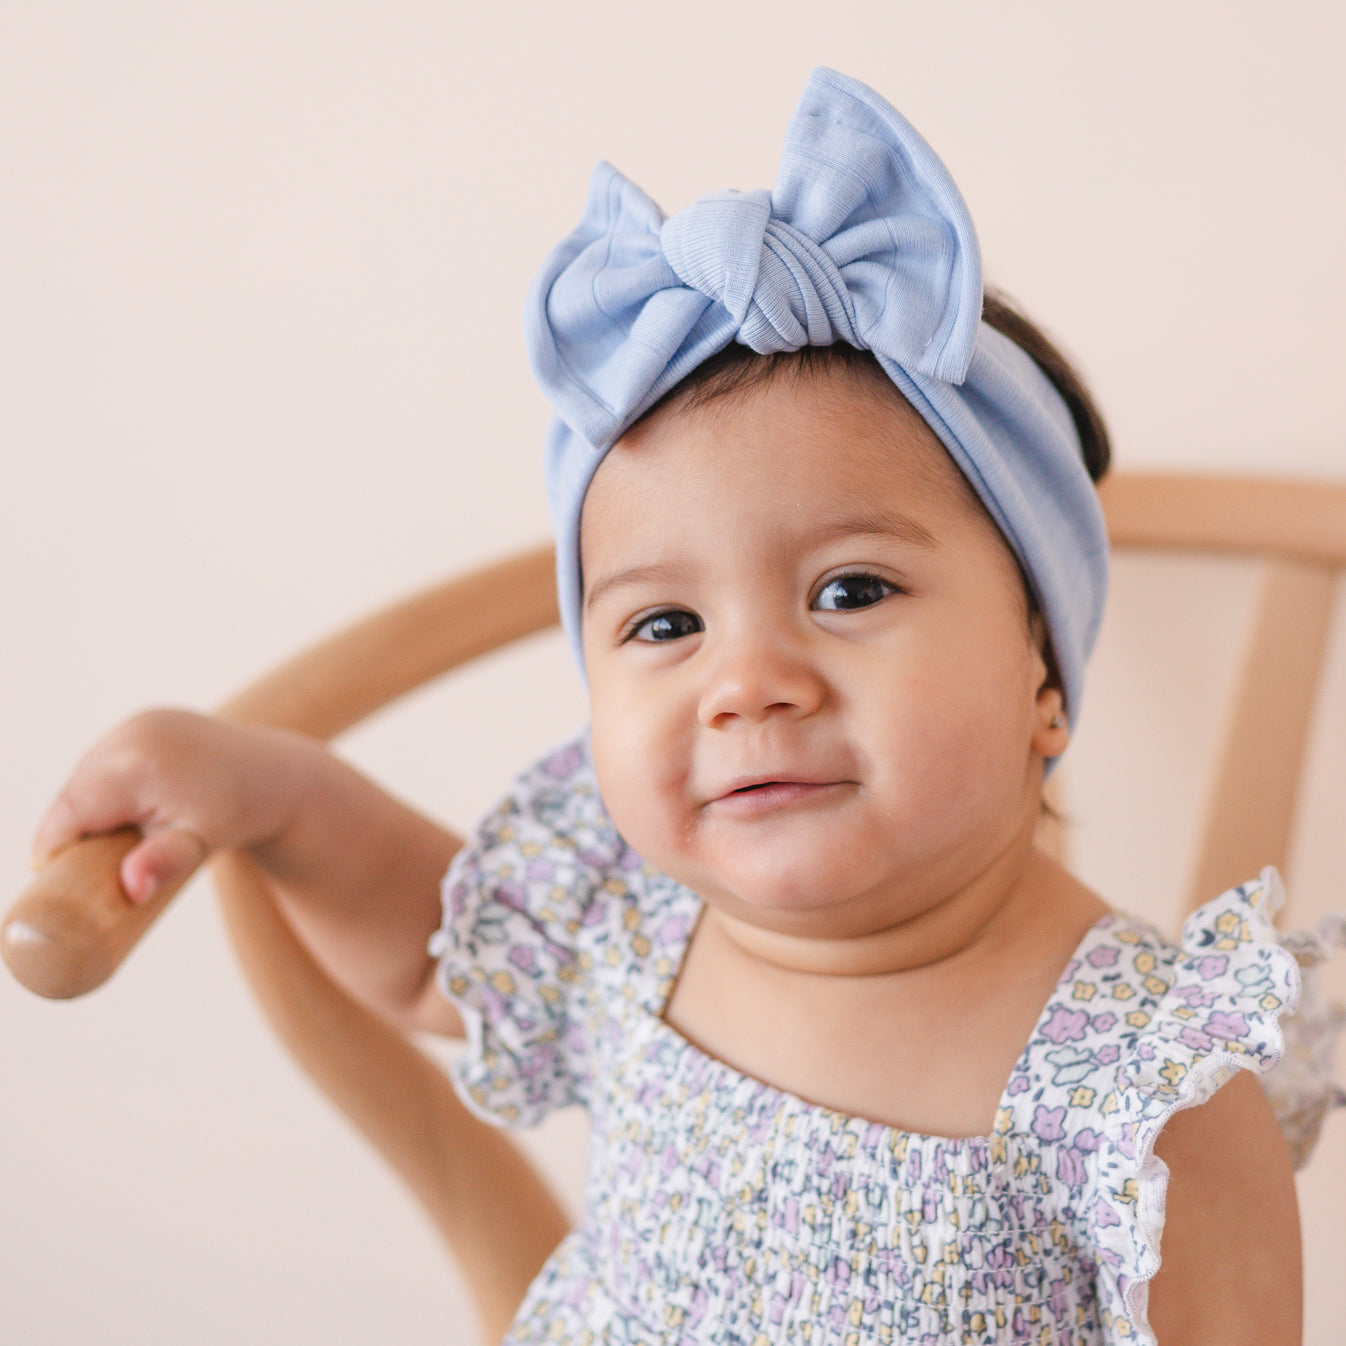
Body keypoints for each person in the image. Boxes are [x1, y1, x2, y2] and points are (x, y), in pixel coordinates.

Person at [32, 69, 1340, 1344]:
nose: (747, 680)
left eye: (849, 589)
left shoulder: (1144, 1091)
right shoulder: (619, 909)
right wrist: (269, 787)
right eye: (665, 624)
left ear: (1041, 680)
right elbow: (434, 961)